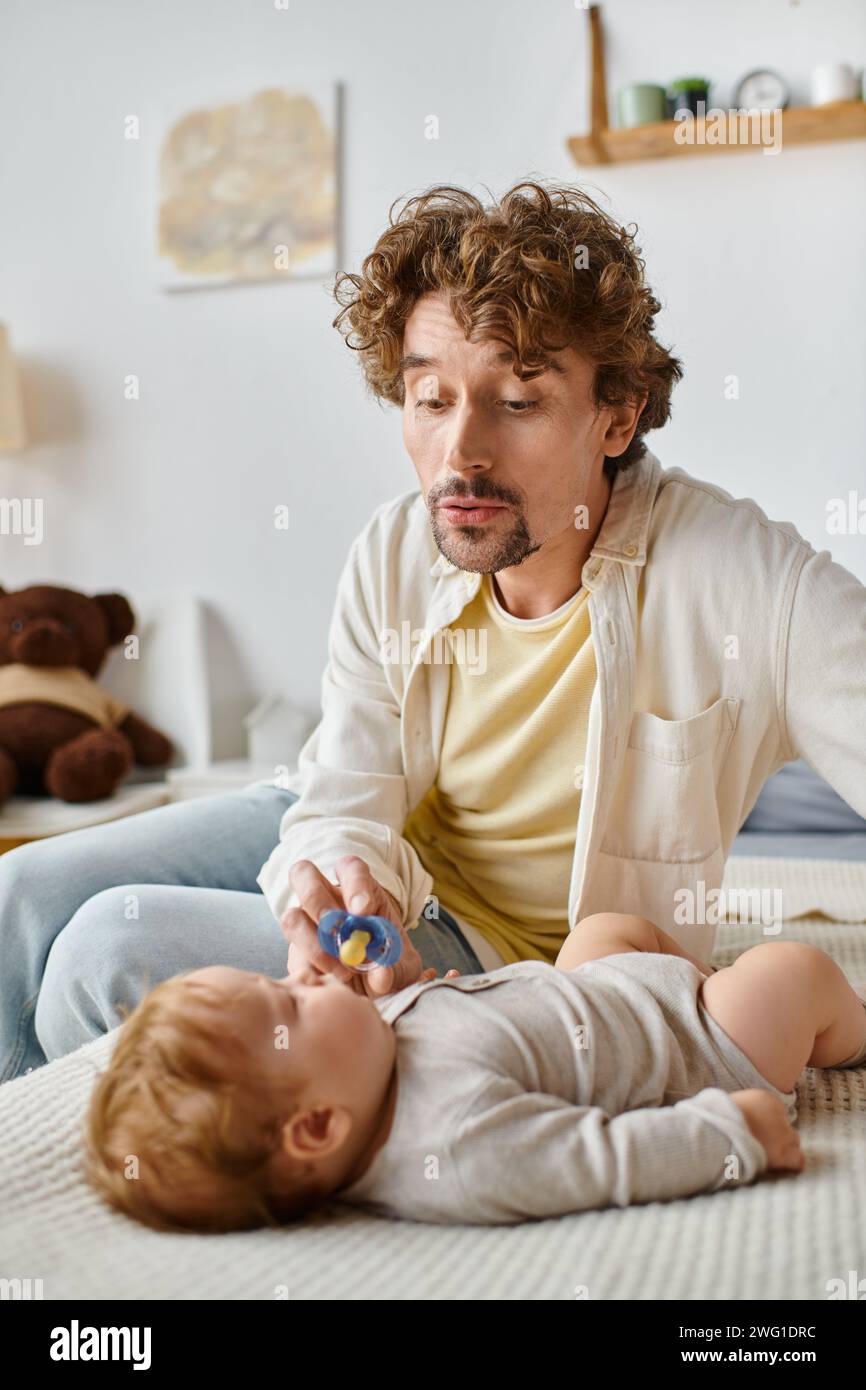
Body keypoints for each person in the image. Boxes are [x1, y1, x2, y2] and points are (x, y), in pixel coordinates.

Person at [2, 179, 865, 1084]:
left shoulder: (746, 578)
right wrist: (335, 870)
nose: (462, 454)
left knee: (102, 954)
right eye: (430, 398)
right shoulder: (393, 550)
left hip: (499, 949)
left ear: (617, 416)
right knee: (21, 894)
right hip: (365, 843)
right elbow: (345, 790)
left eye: (518, 401)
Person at [82, 911, 866, 1231]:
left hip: (597, 993)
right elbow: (602, 1161)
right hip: (700, 1045)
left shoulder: (357, 1065)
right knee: (787, 974)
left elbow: (456, 1020)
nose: (306, 978)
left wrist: (398, 986)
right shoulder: (456, 1147)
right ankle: (851, 1031)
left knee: (602, 924)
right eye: (289, 1007)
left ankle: (692, 969)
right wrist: (732, 1134)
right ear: (317, 1126)